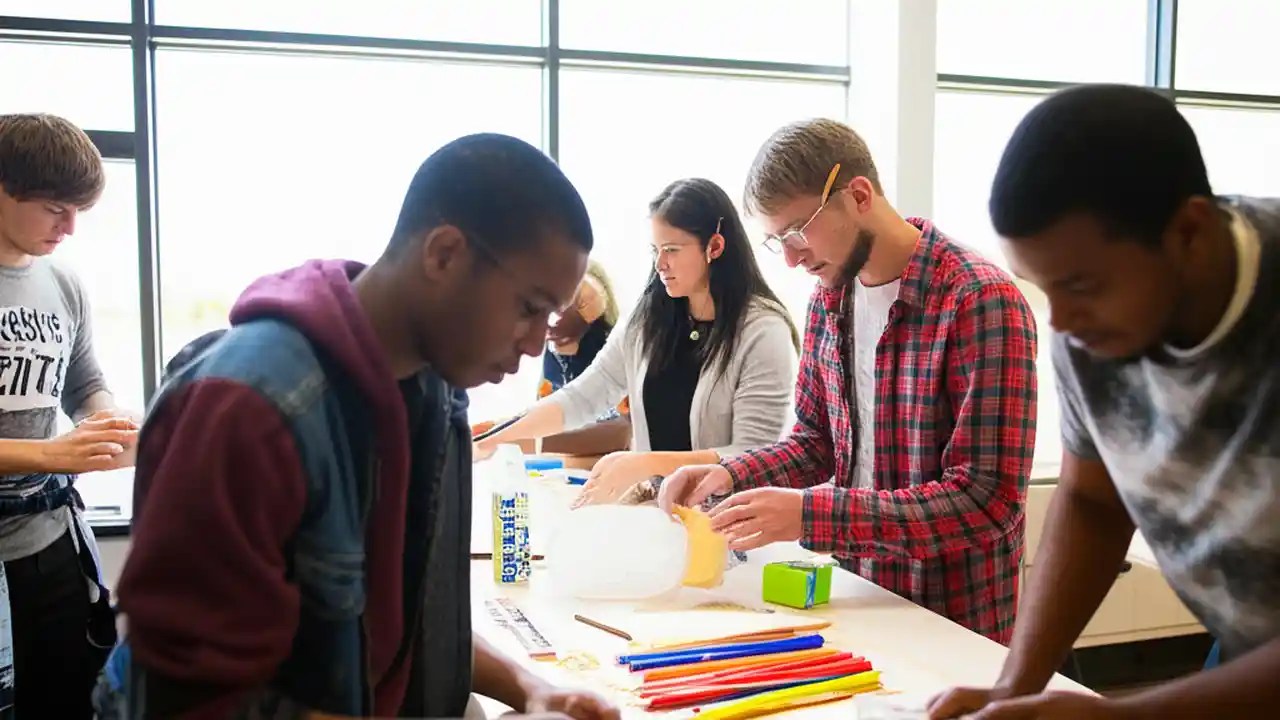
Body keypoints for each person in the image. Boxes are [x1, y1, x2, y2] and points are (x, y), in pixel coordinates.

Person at [99, 134, 620, 719]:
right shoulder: (247, 409)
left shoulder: (434, 391)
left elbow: (396, 622)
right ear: (444, 254)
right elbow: (196, 699)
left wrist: (529, 687)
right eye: (529, 309)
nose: (533, 345)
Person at [928, 85, 1280, 719]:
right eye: (1042, 287)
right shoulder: (1087, 327)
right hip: (1248, 648)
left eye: (1082, 285)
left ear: (1190, 232)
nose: (1060, 324)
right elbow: (1093, 501)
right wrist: (1018, 683)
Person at [659, 119, 1039, 644]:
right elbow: (817, 441)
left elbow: (985, 501)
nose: (791, 259)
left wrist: (811, 514)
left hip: (954, 621)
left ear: (858, 195)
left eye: (796, 232)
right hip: (857, 598)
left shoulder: (978, 301)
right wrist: (729, 476)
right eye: (777, 242)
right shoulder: (830, 300)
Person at [476, 178, 800, 505]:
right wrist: (498, 436)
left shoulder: (763, 331)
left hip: (727, 528)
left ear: (714, 247)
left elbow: (753, 457)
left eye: (672, 250)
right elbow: (584, 397)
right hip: (658, 517)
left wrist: (644, 463)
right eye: (655, 251)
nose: (660, 264)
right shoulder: (648, 318)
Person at [0, 113, 141, 718]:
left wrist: (104, 421)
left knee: (66, 698)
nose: (71, 227)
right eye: (56, 207)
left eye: (79, 209)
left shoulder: (63, 283)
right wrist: (52, 453)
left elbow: (84, 381)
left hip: (51, 539)